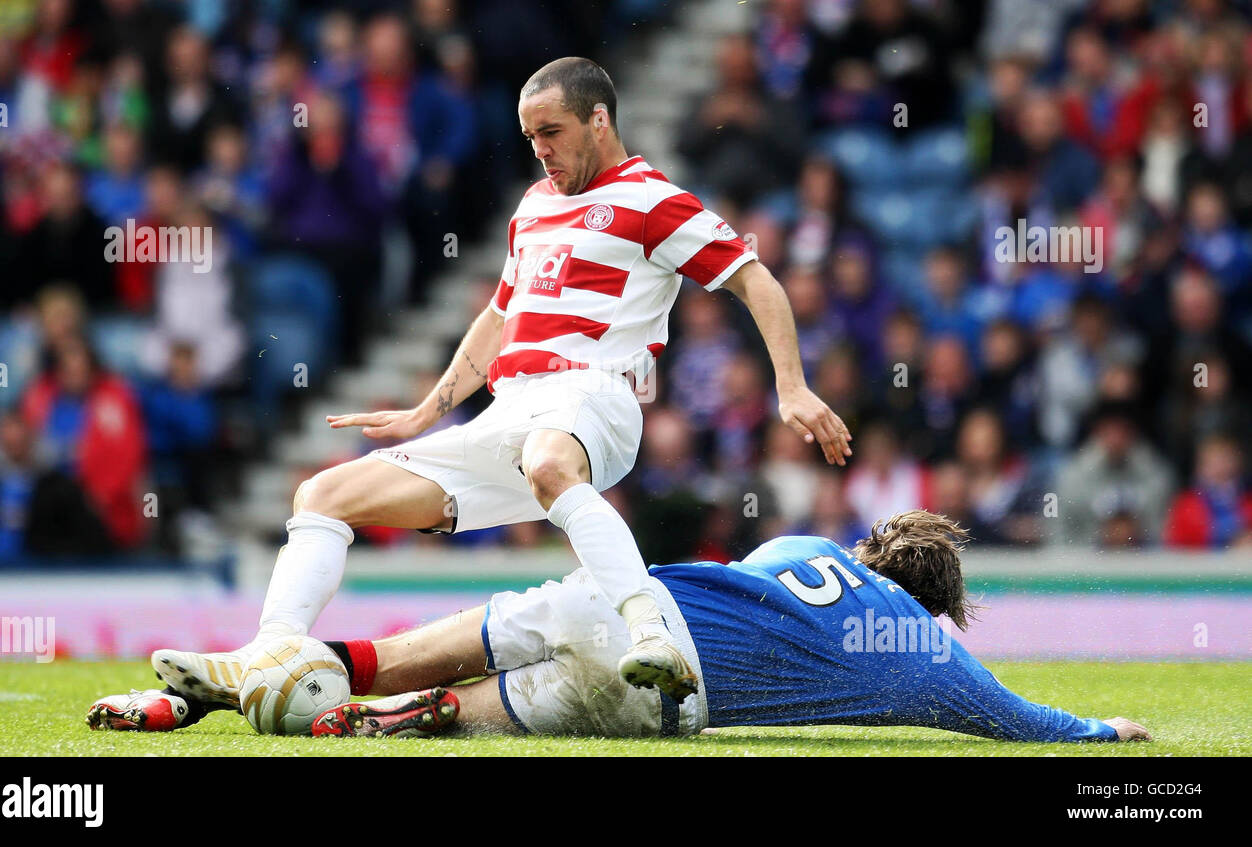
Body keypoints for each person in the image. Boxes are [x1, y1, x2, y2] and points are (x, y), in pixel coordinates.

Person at [147, 57, 852, 709]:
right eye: (529, 136)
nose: (540, 148)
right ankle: (268, 652)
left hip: (596, 396)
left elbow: (754, 278)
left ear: (598, 120)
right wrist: (428, 408)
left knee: (550, 461)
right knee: (322, 494)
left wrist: (791, 386)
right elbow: (498, 315)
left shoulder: (653, 200)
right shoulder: (533, 205)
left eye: (552, 131)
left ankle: (651, 632)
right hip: (507, 411)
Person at [88, 511, 1149, 743]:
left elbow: (753, 571)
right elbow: (1022, 724)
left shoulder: (797, 550)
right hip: (656, 702)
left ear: (873, 554)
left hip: (635, 608)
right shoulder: (922, 655)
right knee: (443, 719)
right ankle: (348, 722)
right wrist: (1105, 735)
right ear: (937, 606)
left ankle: (232, 680)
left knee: (405, 651)